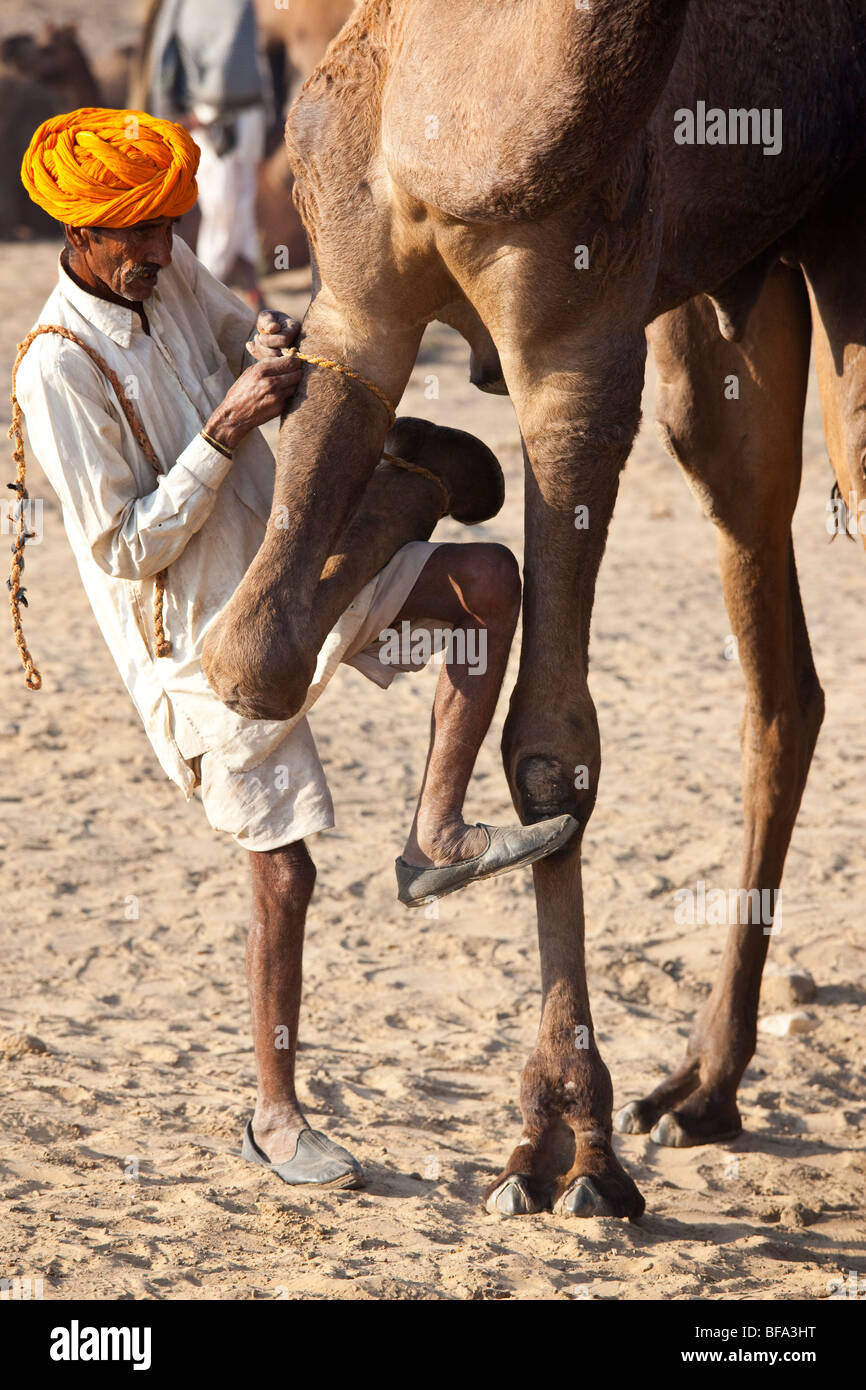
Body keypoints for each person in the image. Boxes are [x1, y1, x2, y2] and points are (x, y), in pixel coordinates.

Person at [15, 108, 578, 1189]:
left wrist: (273, 348)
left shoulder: (169, 272)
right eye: (131, 235)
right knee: (284, 874)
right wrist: (225, 431)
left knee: (487, 584)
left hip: (292, 574)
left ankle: (435, 832)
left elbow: (241, 334)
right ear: (77, 236)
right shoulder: (56, 374)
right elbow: (128, 548)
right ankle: (274, 1118)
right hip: (195, 652)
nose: (156, 250)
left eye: (167, 226)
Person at [146, 0, 269, 307]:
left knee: (244, 201)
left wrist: (272, 108)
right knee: (221, 207)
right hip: (209, 116)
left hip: (250, 111)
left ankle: (249, 288)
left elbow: (262, 54)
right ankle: (206, 294)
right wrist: (173, 113)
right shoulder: (179, 5)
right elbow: (165, 55)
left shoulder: (246, 4)